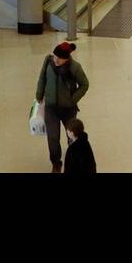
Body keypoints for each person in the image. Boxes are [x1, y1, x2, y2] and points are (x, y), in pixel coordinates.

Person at [35, 41, 90, 173]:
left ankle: (75, 161)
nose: (55, 60)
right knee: (53, 137)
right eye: (54, 56)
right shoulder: (48, 61)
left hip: (68, 109)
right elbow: (42, 77)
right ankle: (56, 163)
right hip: (51, 108)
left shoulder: (75, 68)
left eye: (59, 58)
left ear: (66, 58)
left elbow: (85, 85)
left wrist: (73, 100)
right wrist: (39, 94)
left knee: (72, 137)